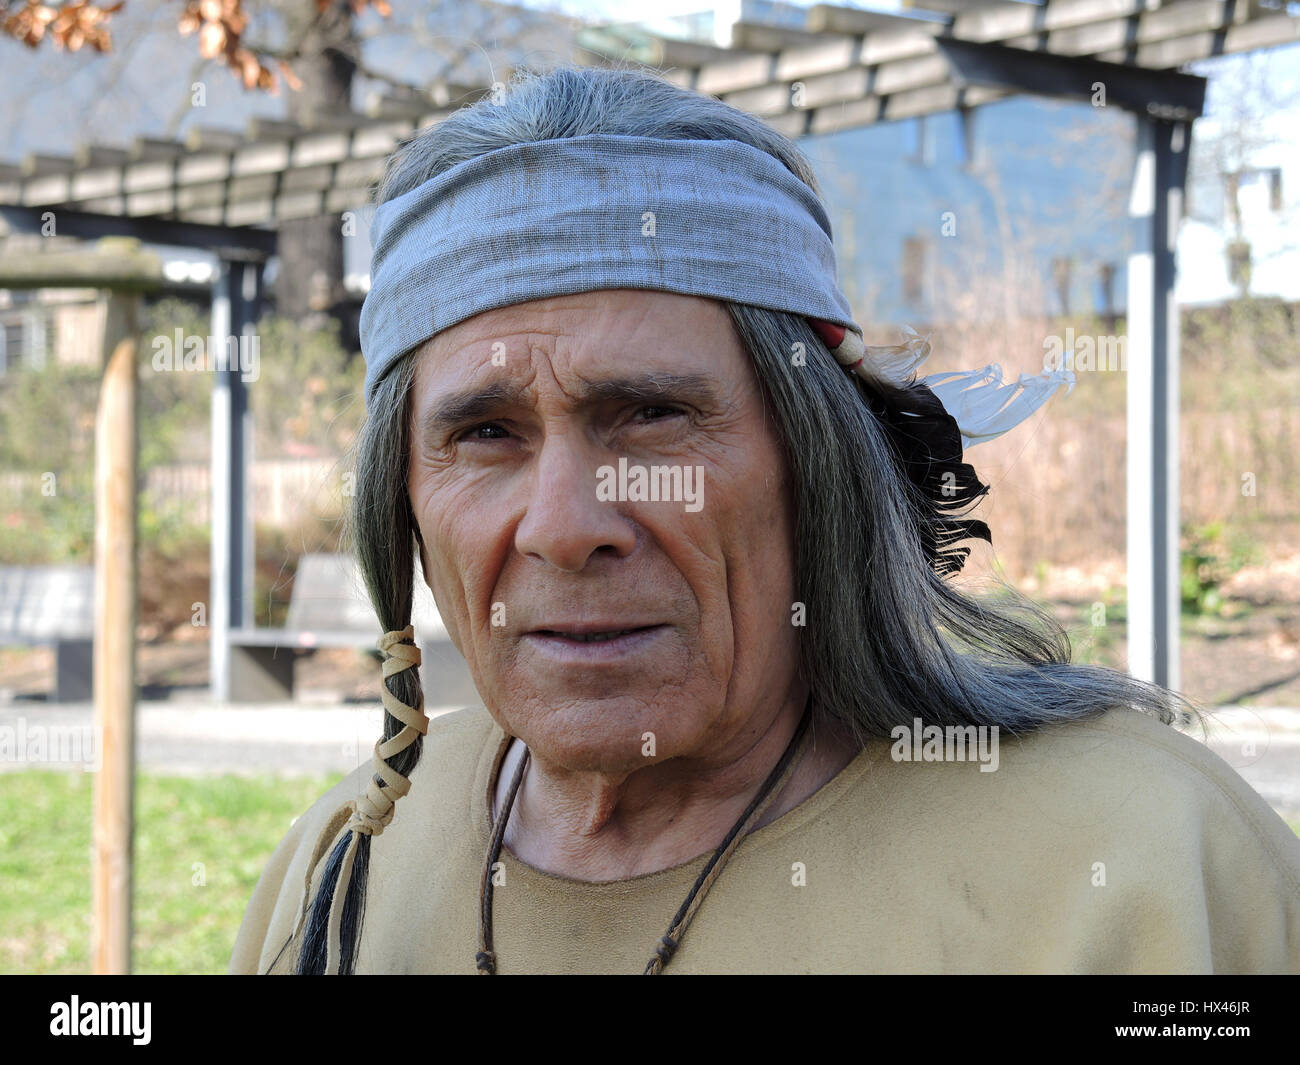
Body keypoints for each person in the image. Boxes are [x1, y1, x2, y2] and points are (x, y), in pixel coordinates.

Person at [229, 64, 1300, 975]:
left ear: (815, 464)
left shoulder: (1141, 867)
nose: (563, 525)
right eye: (483, 434)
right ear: (404, 504)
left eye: (651, 416)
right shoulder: (349, 864)